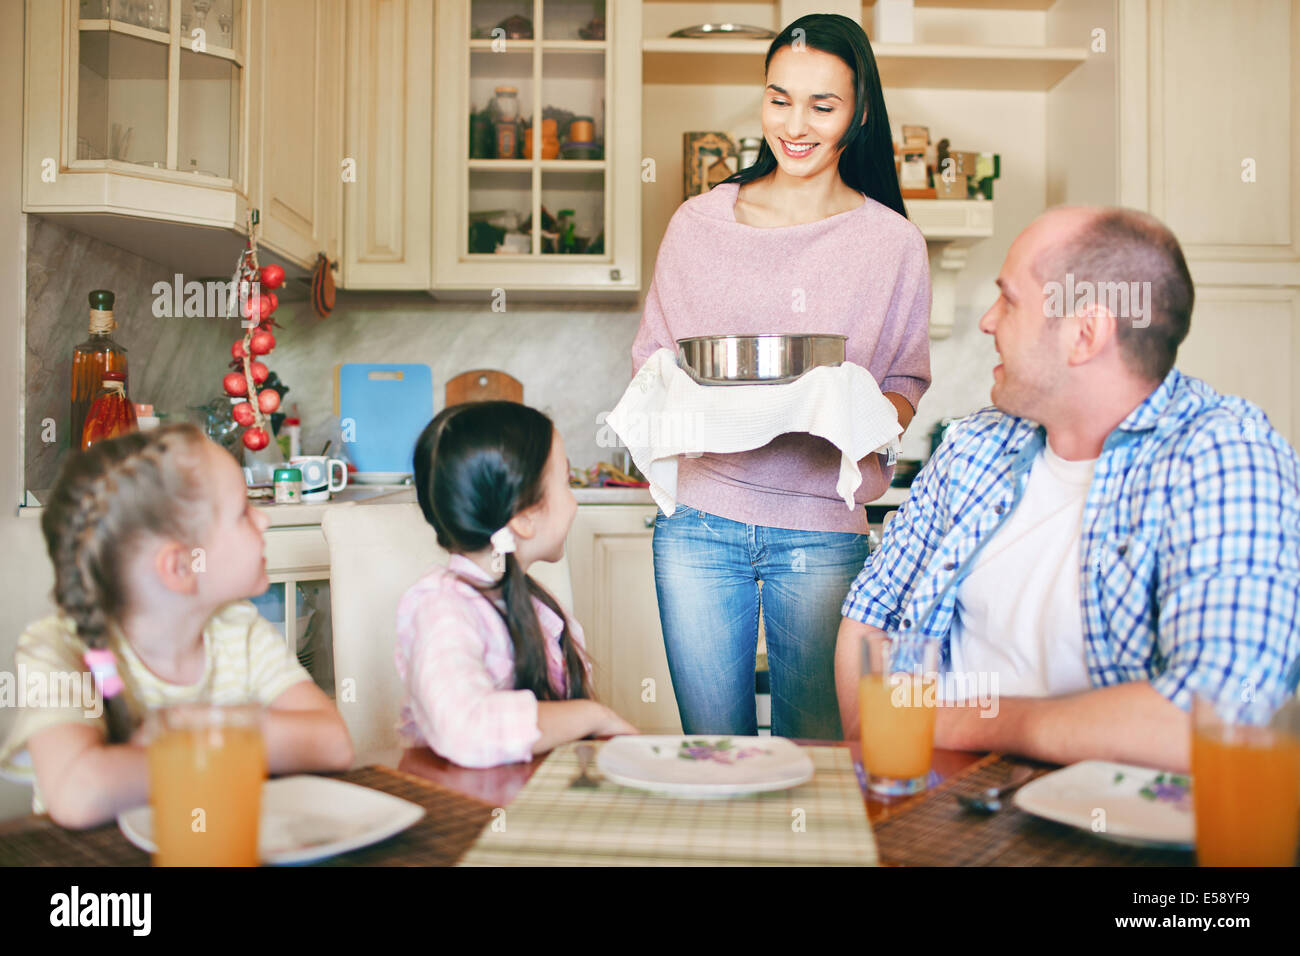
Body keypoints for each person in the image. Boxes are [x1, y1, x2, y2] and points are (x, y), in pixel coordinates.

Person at [835, 206, 1300, 772]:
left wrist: (966, 721)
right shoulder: (973, 445)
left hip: (1114, 832)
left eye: (1008, 298)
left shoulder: (1227, 458)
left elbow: (1222, 713)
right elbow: (872, 617)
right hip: (939, 802)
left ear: (1085, 334)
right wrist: (888, 754)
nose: (987, 320)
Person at [631, 13, 931, 739]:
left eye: (822, 106)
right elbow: (654, 363)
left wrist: (853, 409)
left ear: (857, 115)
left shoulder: (890, 243)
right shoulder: (698, 224)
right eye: (778, 98)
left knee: (819, 759)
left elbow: (905, 383)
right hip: (700, 524)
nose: (794, 125)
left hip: (825, 532)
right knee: (715, 752)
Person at [0, 424, 353, 828]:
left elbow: (333, 744)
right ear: (182, 566)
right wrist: (234, 741)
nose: (264, 522)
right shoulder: (57, 649)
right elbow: (79, 795)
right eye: (242, 512)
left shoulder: (240, 630)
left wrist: (194, 728)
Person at [398, 402, 637, 768]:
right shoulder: (442, 608)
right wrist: (593, 716)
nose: (574, 504)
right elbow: (463, 727)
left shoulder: (539, 606)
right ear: (524, 516)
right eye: (568, 482)